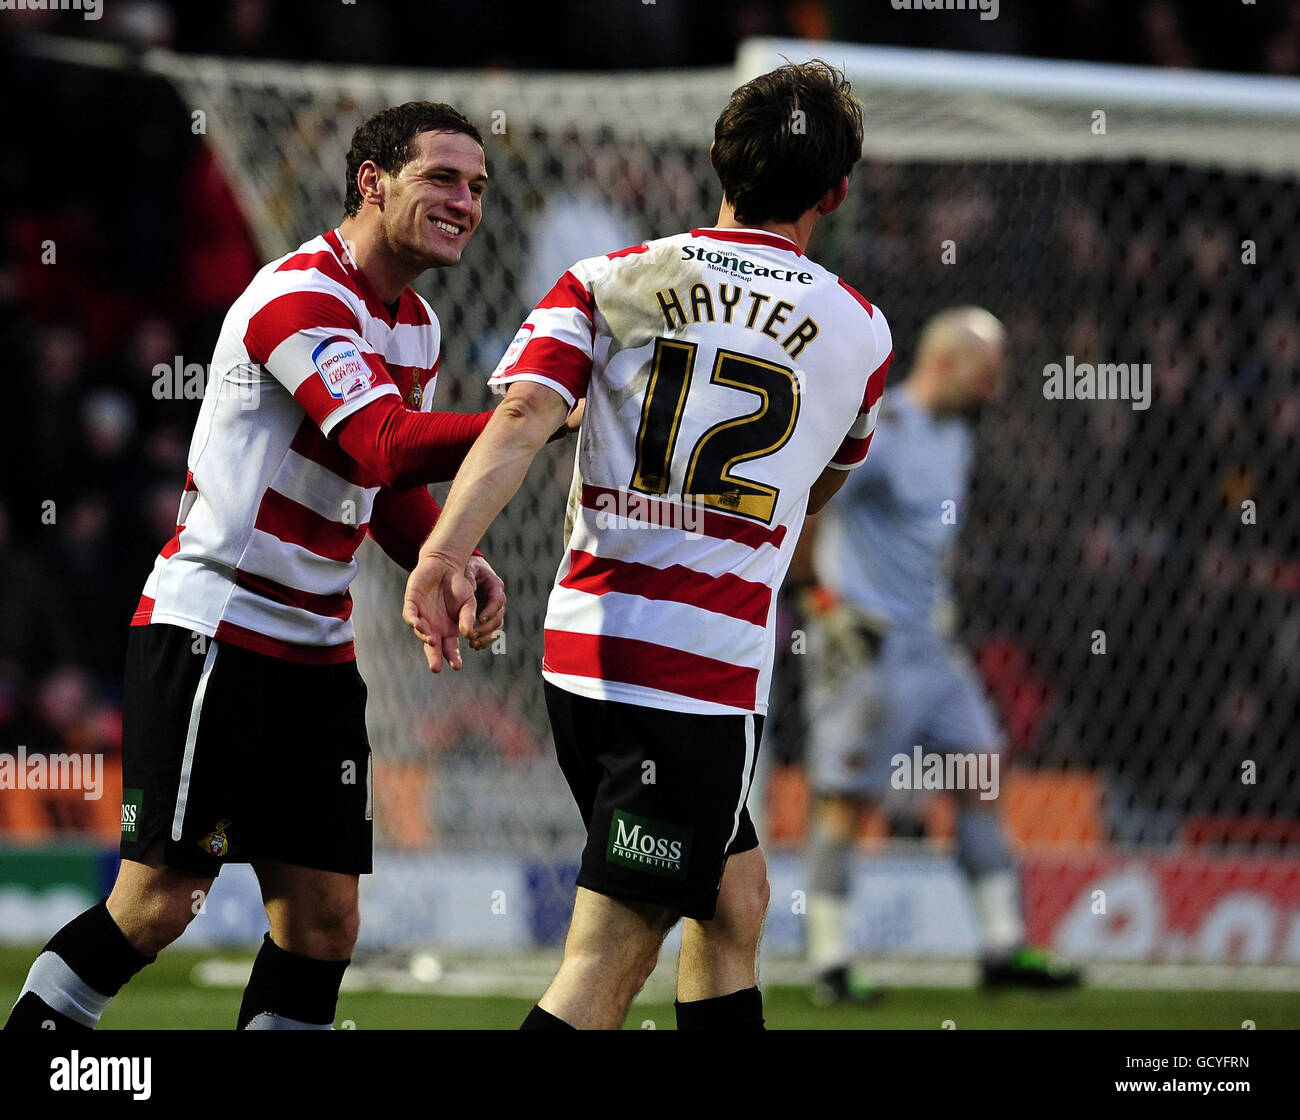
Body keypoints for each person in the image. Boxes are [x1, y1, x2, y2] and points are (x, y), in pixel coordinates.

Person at [6, 101, 520, 1031]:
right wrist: (532, 418)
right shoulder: (299, 297)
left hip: (317, 654)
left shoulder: (420, 330)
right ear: (373, 180)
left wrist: (452, 555)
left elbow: (382, 493)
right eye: (443, 178)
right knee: (160, 904)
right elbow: (382, 443)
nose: (465, 202)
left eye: (477, 186)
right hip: (215, 633)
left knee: (325, 921)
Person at [403, 61, 893, 1030]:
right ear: (835, 192)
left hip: (583, 656)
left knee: (733, 901)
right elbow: (820, 486)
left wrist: (441, 551)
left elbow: (523, 417)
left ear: (717, 156)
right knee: (609, 961)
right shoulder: (861, 333)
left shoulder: (607, 277)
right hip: (693, 684)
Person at [797, 307, 1082, 1002]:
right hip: (871, 654)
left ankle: (1000, 947)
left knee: (979, 778)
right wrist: (819, 600)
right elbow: (809, 503)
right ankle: (829, 963)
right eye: (986, 375)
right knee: (847, 801)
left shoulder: (955, 437)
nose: (994, 390)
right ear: (946, 364)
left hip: (934, 651)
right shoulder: (882, 434)